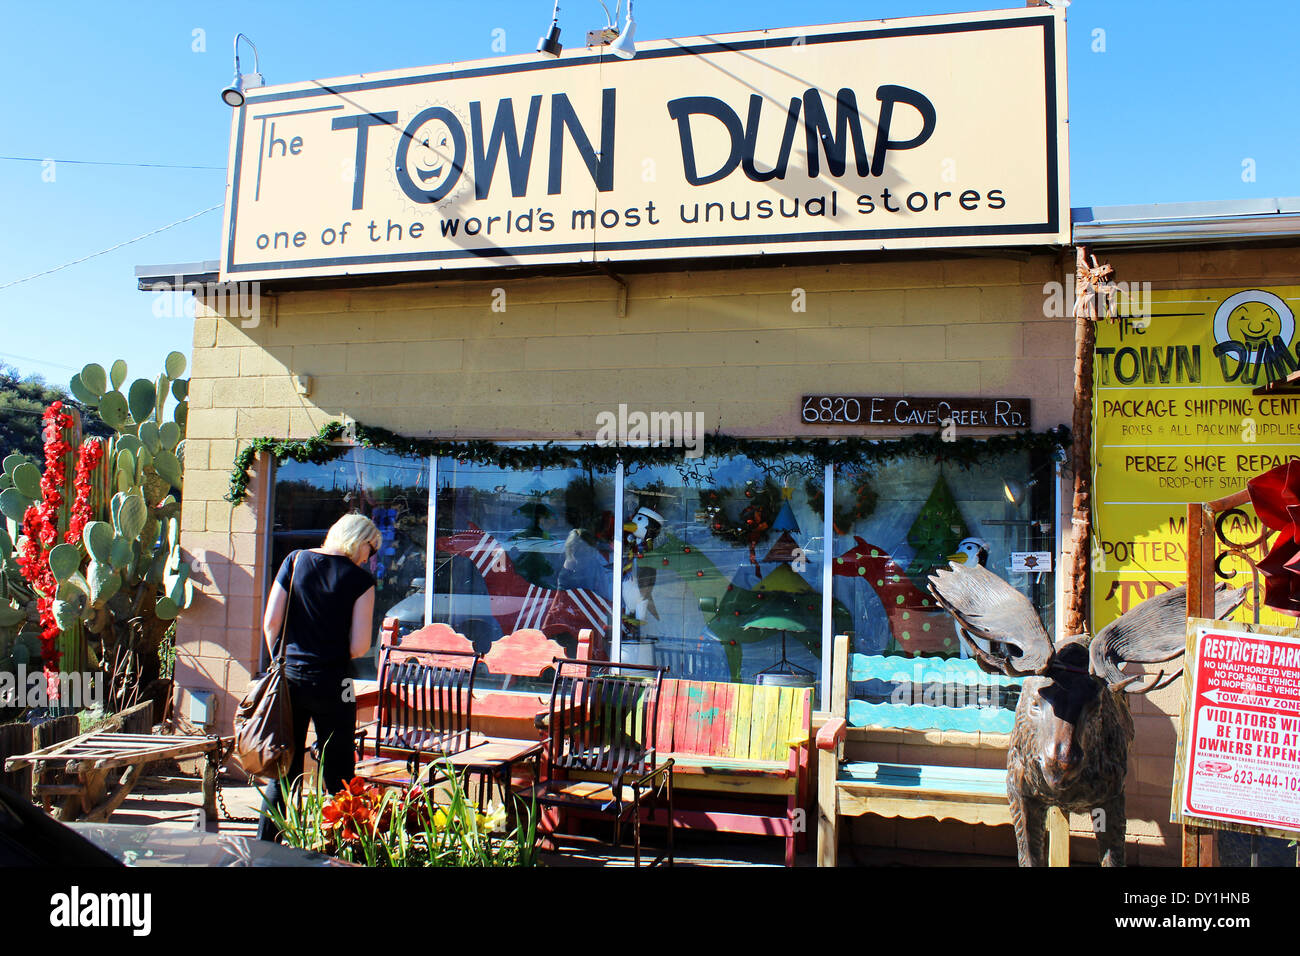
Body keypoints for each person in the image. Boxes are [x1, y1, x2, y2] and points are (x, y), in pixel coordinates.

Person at [257, 513, 380, 842]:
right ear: (359, 541)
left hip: (292, 678)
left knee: (285, 767)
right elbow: (359, 646)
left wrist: (282, 662)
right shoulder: (361, 581)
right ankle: (341, 848)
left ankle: (265, 847)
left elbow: (271, 623)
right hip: (337, 682)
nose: (371, 556)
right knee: (340, 769)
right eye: (372, 548)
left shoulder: (295, 562)